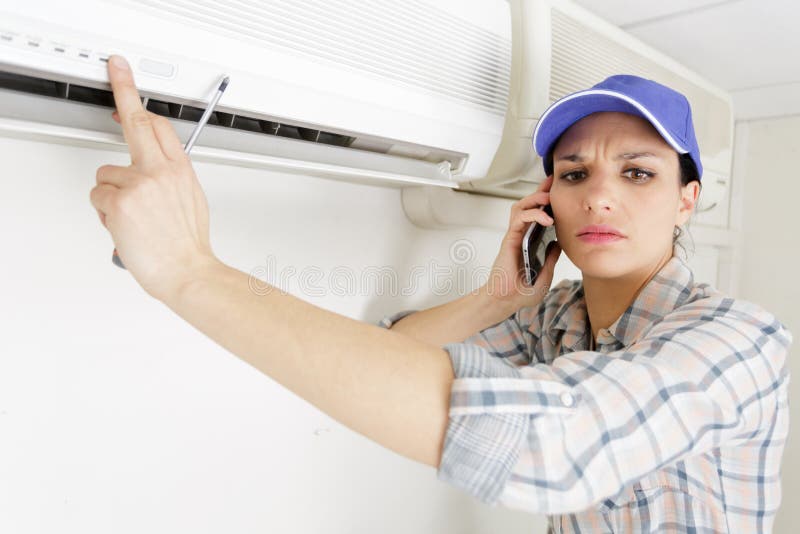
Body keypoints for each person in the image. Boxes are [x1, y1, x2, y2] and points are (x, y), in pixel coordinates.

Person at [90, 56, 790, 533]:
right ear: (549, 198)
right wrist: (496, 297)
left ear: (687, 200)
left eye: (637, 174)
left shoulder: (741, 341)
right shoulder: (554, 319)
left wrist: (189, 273)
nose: (600, 196)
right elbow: (392, 353)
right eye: (574, 174)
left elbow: (553, 447)